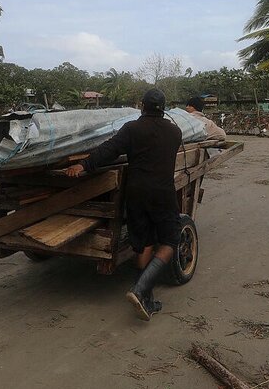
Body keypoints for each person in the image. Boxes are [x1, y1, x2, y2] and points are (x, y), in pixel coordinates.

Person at [65, 89, 182, 321]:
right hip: (162, 193)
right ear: (163, 108)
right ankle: (140, 290)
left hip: (136, 193)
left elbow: (108, 150)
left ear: (142, 106)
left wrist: (84, 166)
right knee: (170, 240)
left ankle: (145, 298)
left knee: (144, 243)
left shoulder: (132, 129)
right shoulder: (175, 131)